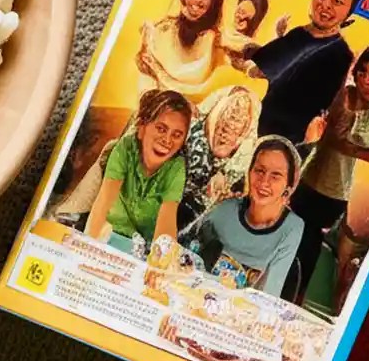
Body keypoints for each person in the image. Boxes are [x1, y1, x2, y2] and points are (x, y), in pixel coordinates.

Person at [285, 44, 369, 304]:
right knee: (290, 235)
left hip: (335, 190)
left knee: (310, 248)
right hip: (311, 177)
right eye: (363, 72)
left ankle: (294, 298)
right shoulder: (345, 93)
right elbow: (336, 134)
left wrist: (337, 138)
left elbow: (368, 153)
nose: (367, 80)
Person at [242, 0, 366, 147]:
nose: (326, 5)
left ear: (349, 11)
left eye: (338, 1)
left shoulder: (341, 56)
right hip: (254, 128)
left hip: (288, 144)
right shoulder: (299, 34)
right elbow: (259, 69)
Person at [180, 136, 305, 297]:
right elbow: (183, 249)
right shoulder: (224, 210)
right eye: (259, 170)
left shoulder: (292, 228)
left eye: (275, 175)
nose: (264, 182)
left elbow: (269, 294)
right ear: (249, 171)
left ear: (289, 185)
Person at [86, 89, 192, 251]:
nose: (167, 140)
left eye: (176, 135)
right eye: (161, 129)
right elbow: (104, 203)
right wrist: (87, 244)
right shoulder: (125, 149)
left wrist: (159, 262)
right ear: (142, 128)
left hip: (145, 246)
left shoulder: (176, 167)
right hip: (112, 234)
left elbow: (166, 224)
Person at [137, 0, 253, 103]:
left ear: (213, 4)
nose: (199, 1)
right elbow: (145, 69)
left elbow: (241, 54)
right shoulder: (162, 30)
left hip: (196, 111)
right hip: (156, 104)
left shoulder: (213, 38)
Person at [177, 86, 260, 230]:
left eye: (239, 122)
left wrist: (225, 176)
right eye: (229, 117)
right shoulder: (192, 130)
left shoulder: (236, 173)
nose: (230, 127)